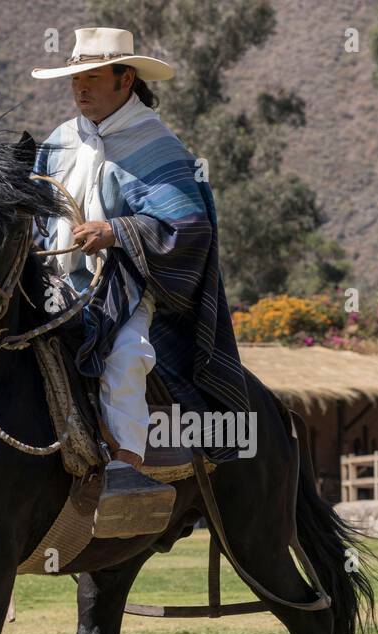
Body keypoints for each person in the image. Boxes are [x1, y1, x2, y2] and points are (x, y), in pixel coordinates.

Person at [31, 27, 250, 528]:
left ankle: (124, 471)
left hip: (125, 287)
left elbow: (187, 227)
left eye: (91, 77)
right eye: (74, 79)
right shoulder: (60, 142)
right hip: (55, 284)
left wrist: (116, 231)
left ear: (125, 78)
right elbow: (36, 211)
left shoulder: (158, 147)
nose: (80, 89)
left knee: (127, 353)